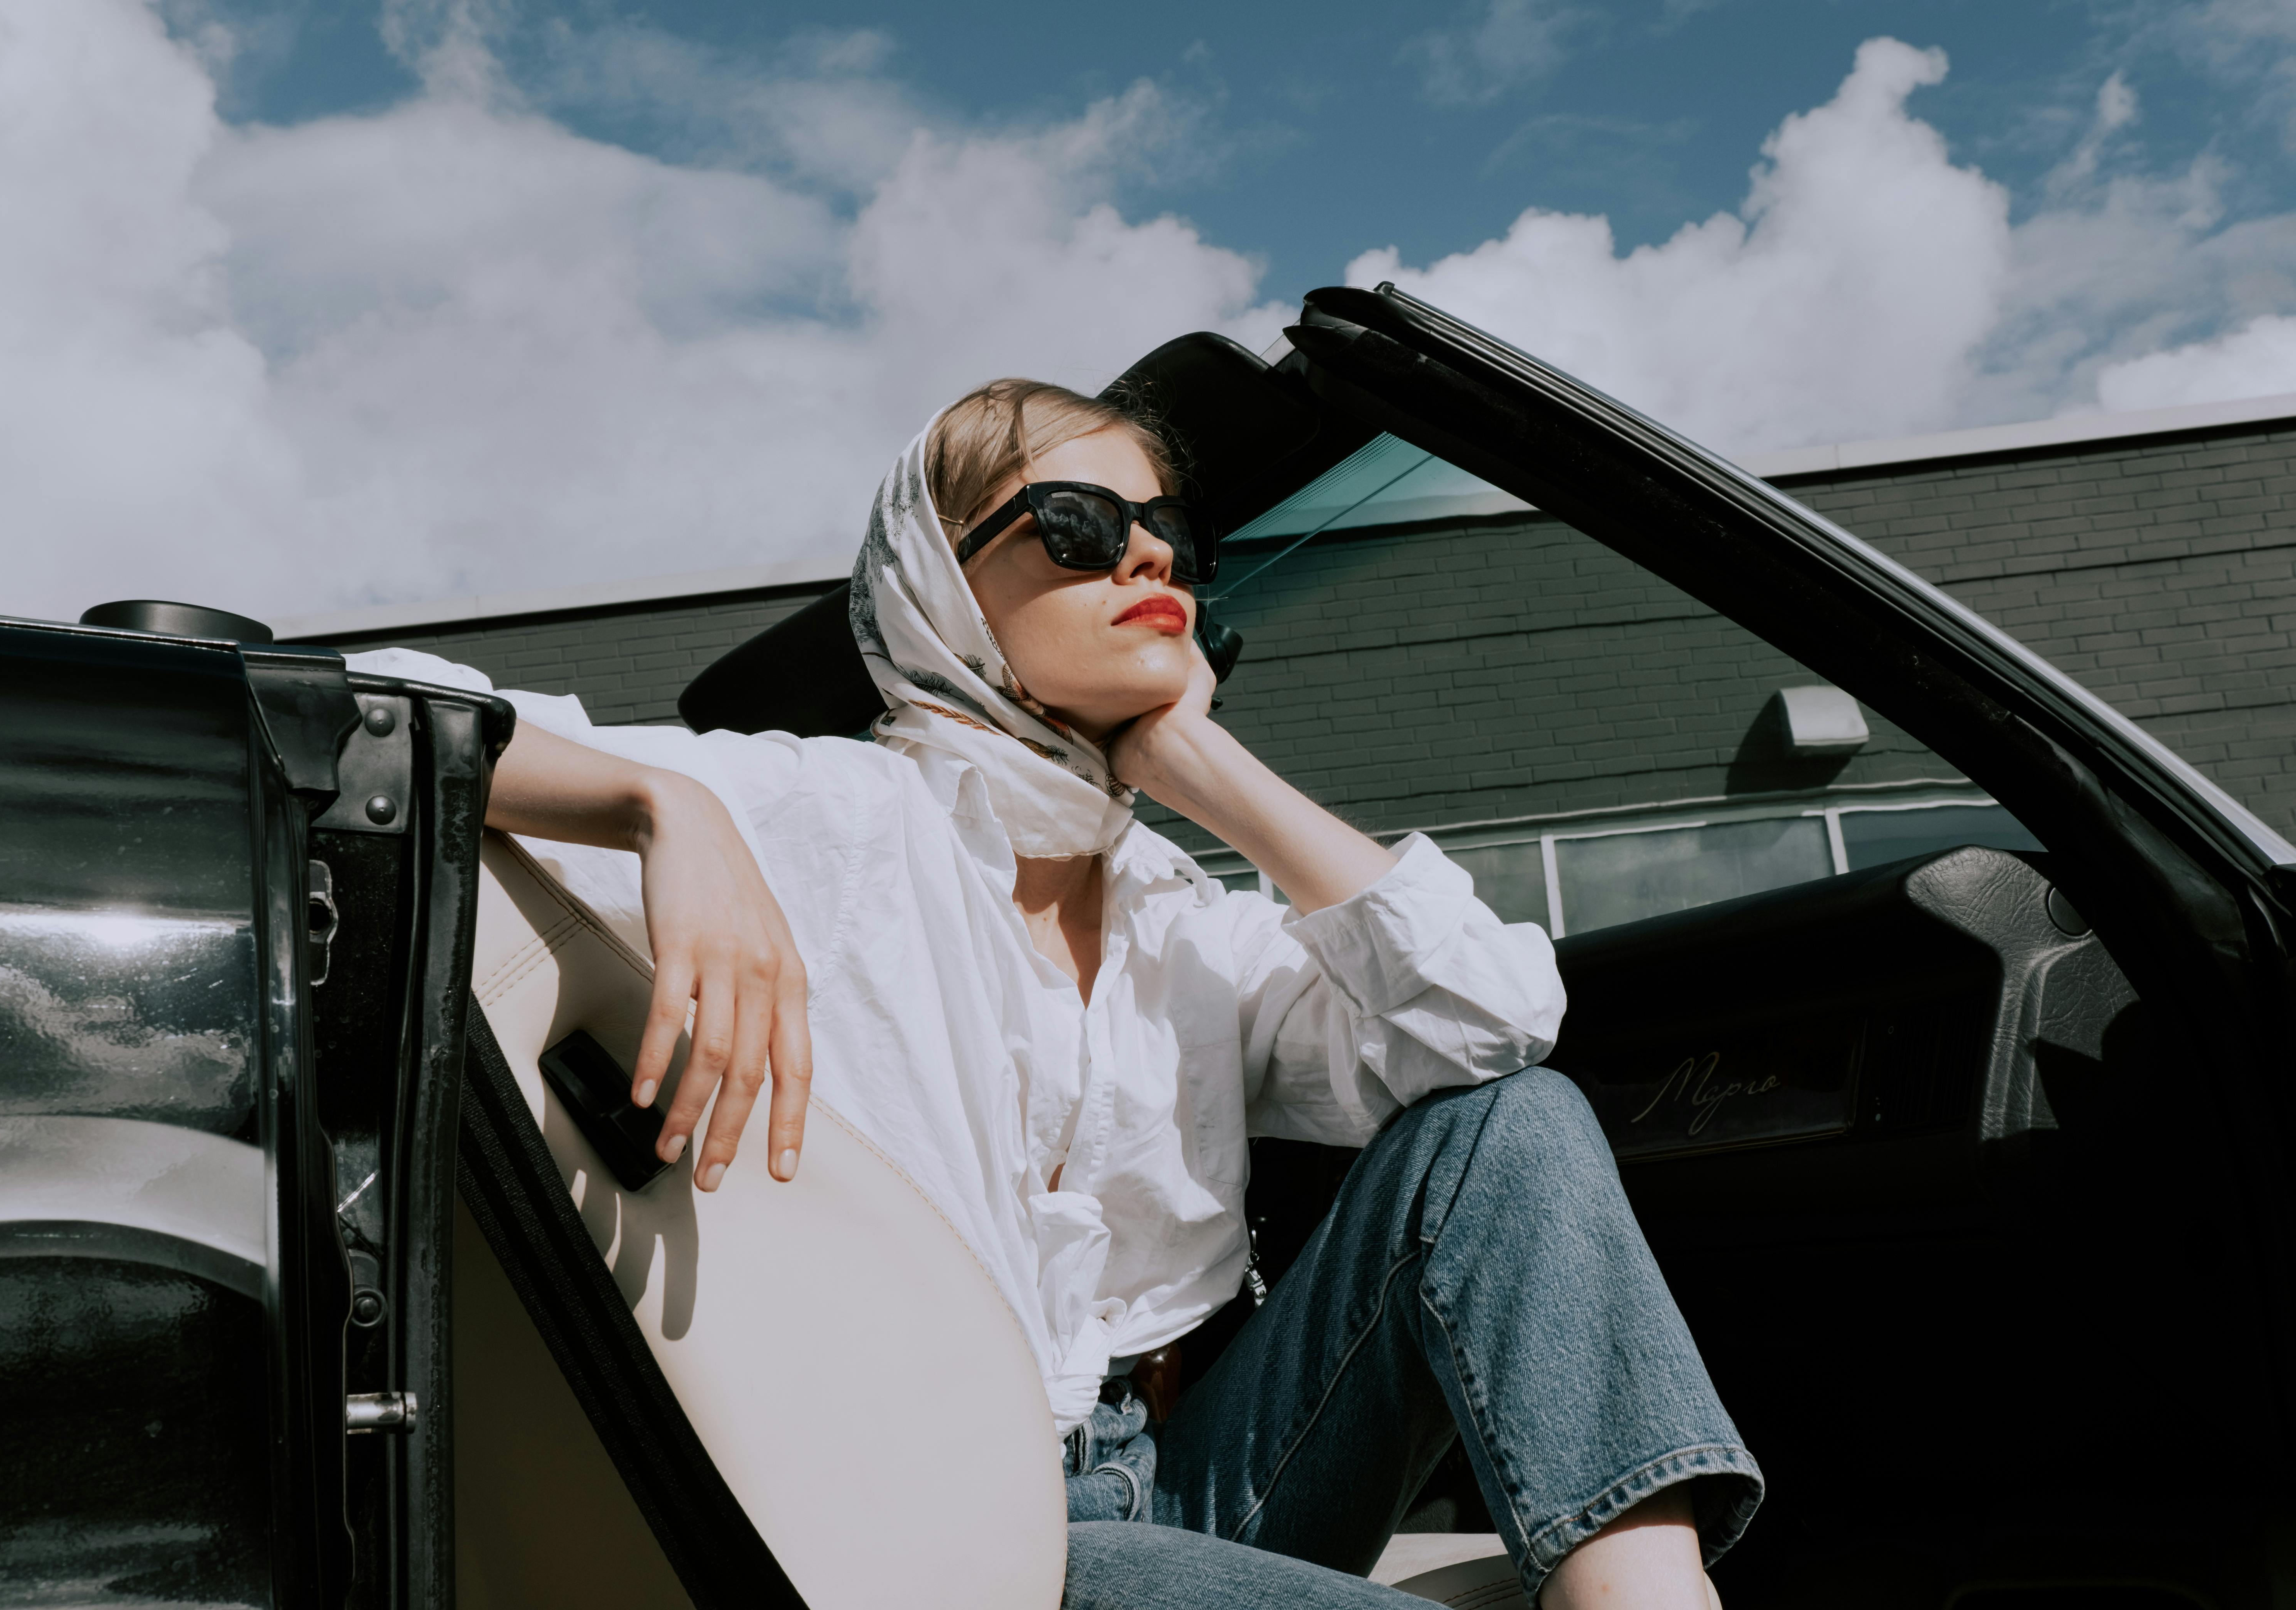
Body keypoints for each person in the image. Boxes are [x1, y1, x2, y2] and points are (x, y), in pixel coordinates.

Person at [354, 379, 1761, 1608]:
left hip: (1180, 1482)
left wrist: (1210, 777)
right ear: (943, 585)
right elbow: (354, 706)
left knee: (1509, 1129)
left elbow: (1491, 1023)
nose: (1149, 553)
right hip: (944, 1536)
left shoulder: (1179, 921)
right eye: (1082, 528)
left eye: (1172, 536)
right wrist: (659, 804)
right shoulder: (829, 818)